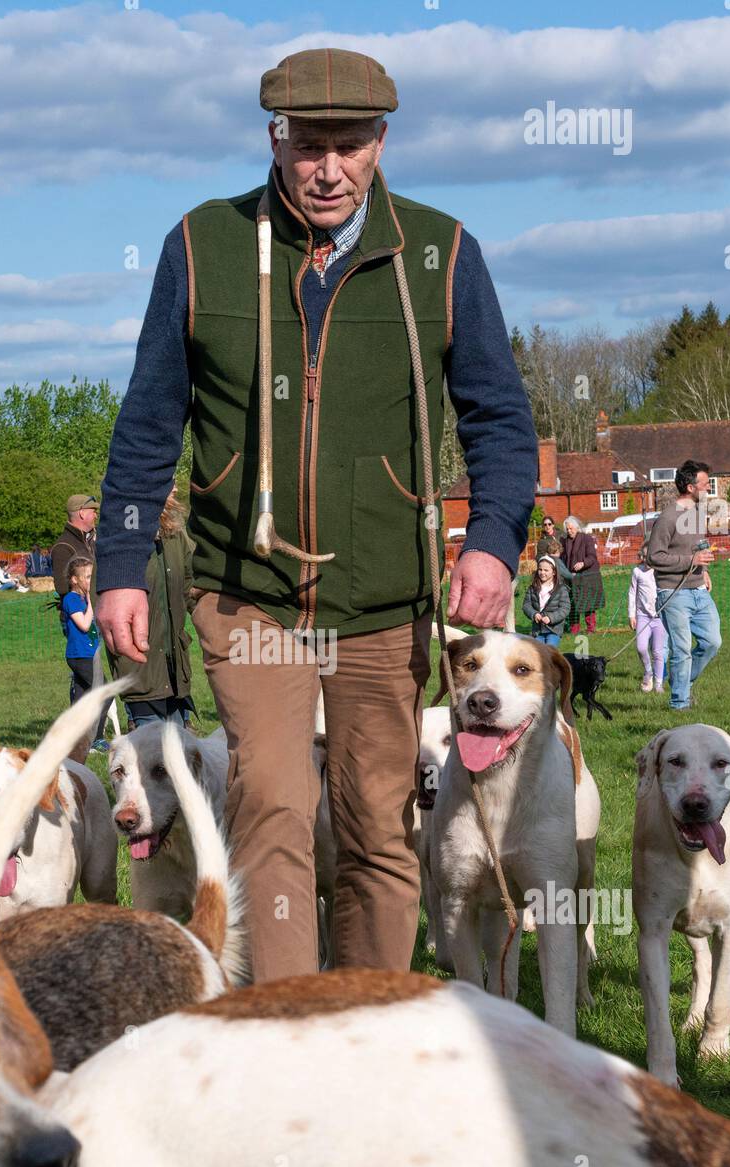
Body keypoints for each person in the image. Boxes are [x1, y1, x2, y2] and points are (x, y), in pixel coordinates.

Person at [93, 47, 538, 981]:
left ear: (381, 142)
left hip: (382, 599)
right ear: (275, 139)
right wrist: (122, 564)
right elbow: (147, 417)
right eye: (308, 146)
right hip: (245, 594)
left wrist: (494, 540)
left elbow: (498, 416)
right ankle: (288, 1028)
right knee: (272, 810)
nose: (328, 168)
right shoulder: (200, 244)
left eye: (350, 144)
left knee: (379, 823)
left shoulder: (442, 251)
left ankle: (368, 1027)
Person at [107, 486, 196, 730]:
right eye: (169, 479)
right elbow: (105, 599)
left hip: (175, 669)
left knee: (179, 751)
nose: (176, 487)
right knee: (152, 755)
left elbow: (192, 588)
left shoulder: (176, 536)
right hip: (140, 668)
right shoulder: (120, 534)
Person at [645, 460, 720, 711]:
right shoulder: (667, 517)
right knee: (682, 649)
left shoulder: (697, 514)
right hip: (673, 593)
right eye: (705, 484)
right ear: (690, 487)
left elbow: (698, 546)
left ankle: (681, 684)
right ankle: (679, 704)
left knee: (712, 642)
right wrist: (691, 560)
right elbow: (653, 556)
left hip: (699, 590)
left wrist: (704, 568)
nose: (708, 488)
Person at [63, 557, 111, 753]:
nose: (92, 580)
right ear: (75, 579)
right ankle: (96, 739)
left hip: (90, 654)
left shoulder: (83, 599)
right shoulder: (71, 599)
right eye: (88, 577)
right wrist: (91, 602)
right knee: (106, 692)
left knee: (81, 697)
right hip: (80, 656)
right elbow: (83, 624)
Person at [628, 545, 666, 693]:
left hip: (659, 617)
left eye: (649, 557)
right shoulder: (637, 571)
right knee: (641, 647)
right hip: (642, 616)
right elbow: (632, 593)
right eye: (643, 557)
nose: (646, 560)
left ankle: (658, 683)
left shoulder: (660, 572)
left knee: (658, 651)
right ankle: (648, 671)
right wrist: (632, 615)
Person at [560, 516, 604, 635]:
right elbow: (563, 558)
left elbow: (592, 557)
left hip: (587, 576)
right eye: (567, 529)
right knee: (573, 604)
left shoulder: (587, 538)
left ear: (577, 527)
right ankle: (574, 630)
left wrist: (583, 563)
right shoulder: (565, 541)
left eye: (571, 528)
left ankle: (591, 628)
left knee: (588, 603)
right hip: (572, 577)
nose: (569, 531)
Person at [522, 555, 569, 646]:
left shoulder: (561, 589)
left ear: (554, 572)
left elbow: (565, 608)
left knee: (549, 653)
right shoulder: (533, 588)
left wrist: (551, 618)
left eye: (546, 570)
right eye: (540, 569)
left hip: (554, 630)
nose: (542, 572)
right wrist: (534, 614)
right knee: (537, 653)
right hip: (537, 631)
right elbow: (526, 605)